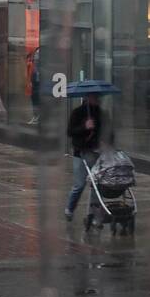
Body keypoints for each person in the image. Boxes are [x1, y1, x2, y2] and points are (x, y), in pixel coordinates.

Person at [65, 93, 107, 221]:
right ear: (87, 99)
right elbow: (70, 132)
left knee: (96, 184)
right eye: (94, 98)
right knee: (80, 184)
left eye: (98, 98)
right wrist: (85, 127)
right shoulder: (77, 112)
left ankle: (92, 214)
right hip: (81, 152)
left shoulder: (101, 113)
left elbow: (108, 131)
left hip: (97, 152)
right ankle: (70, 209)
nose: (97, 100)